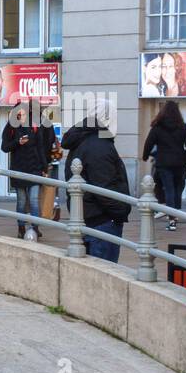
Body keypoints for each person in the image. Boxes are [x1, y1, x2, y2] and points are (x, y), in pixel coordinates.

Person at [62, 105, 131, 263]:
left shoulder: (84, 140)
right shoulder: (99, 145)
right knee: (105, 276)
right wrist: (120, 211)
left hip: (89, 218)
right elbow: (104, 188)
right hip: (102, 221)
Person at [0, 103, 54, 238]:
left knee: (34, 199)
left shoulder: (35, 126)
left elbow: (41, 148)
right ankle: (21, 227)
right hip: (18, 170)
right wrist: (18, 142)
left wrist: (44, 167)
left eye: (24, 113)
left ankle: (35, 227)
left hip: (34, 168)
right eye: (19, 113)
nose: (22, 115)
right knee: (22, 201)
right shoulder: (11, 127)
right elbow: (4, 147)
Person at [142, 100, 186, 230]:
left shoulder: (158, 127)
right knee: (177, 190)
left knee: (169, 189)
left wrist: (145, 155)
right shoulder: (183, 127)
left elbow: (149, 142)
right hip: (179, 162)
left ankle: (172, 220)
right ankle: (174, 215)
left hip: (164, 162)